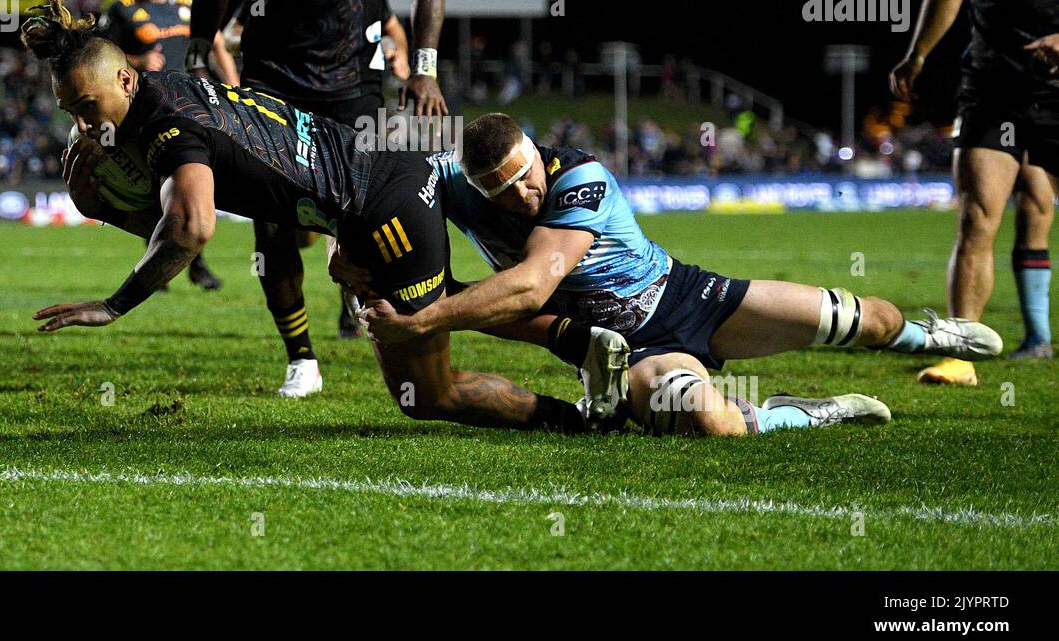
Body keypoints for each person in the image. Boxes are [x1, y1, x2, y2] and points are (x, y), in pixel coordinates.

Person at [21, 0, 604, 435]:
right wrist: (107, 209)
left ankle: (582, 420)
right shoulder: (159, 91)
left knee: (427, 392)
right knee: (438, 304)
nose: (83, 125)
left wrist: (114, 304)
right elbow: (180, 215)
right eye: (70, 111)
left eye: (88, 105)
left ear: (123, 78)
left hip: (380, 203)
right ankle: (581, 343)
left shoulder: (167, 128)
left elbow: (192, 228)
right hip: (370, 185)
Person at [344, 114, 1004, 436]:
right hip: (626, 346)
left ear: (536, 152)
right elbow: (373, 207)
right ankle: (803, 413)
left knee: (869, 320)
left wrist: (428, 312)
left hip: (688, 297)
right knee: (709, 424)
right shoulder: (447, 180)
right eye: (500, 191)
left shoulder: (582, 176)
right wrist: (351, 262)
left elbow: (531, 287)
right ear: (472, 182)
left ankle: (926, 334)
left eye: (525, 178)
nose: (519, 195)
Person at [184, 0, 447, 397]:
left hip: (355, 84)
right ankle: (300, 359)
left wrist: (426, 68)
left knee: (365, 220)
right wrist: (199, 55)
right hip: (271, 86)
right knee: (272, 225)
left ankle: (374, 320)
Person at [891, 0, 1059, 378]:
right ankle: (960, 353)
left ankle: (1039, 333)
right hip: (989, 90)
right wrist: (916, 56)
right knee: (977, 215)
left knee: (1038, 209)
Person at [98, 0, 238, 290]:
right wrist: (137, 62)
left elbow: (216, 43)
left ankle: (167, 262)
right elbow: (100, 57)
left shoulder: (190, 1)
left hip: (192, 105)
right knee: (164, 189)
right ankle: (183, 263)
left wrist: (235, 89)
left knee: (190, 186)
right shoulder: (122, 8)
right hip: (146, 109)